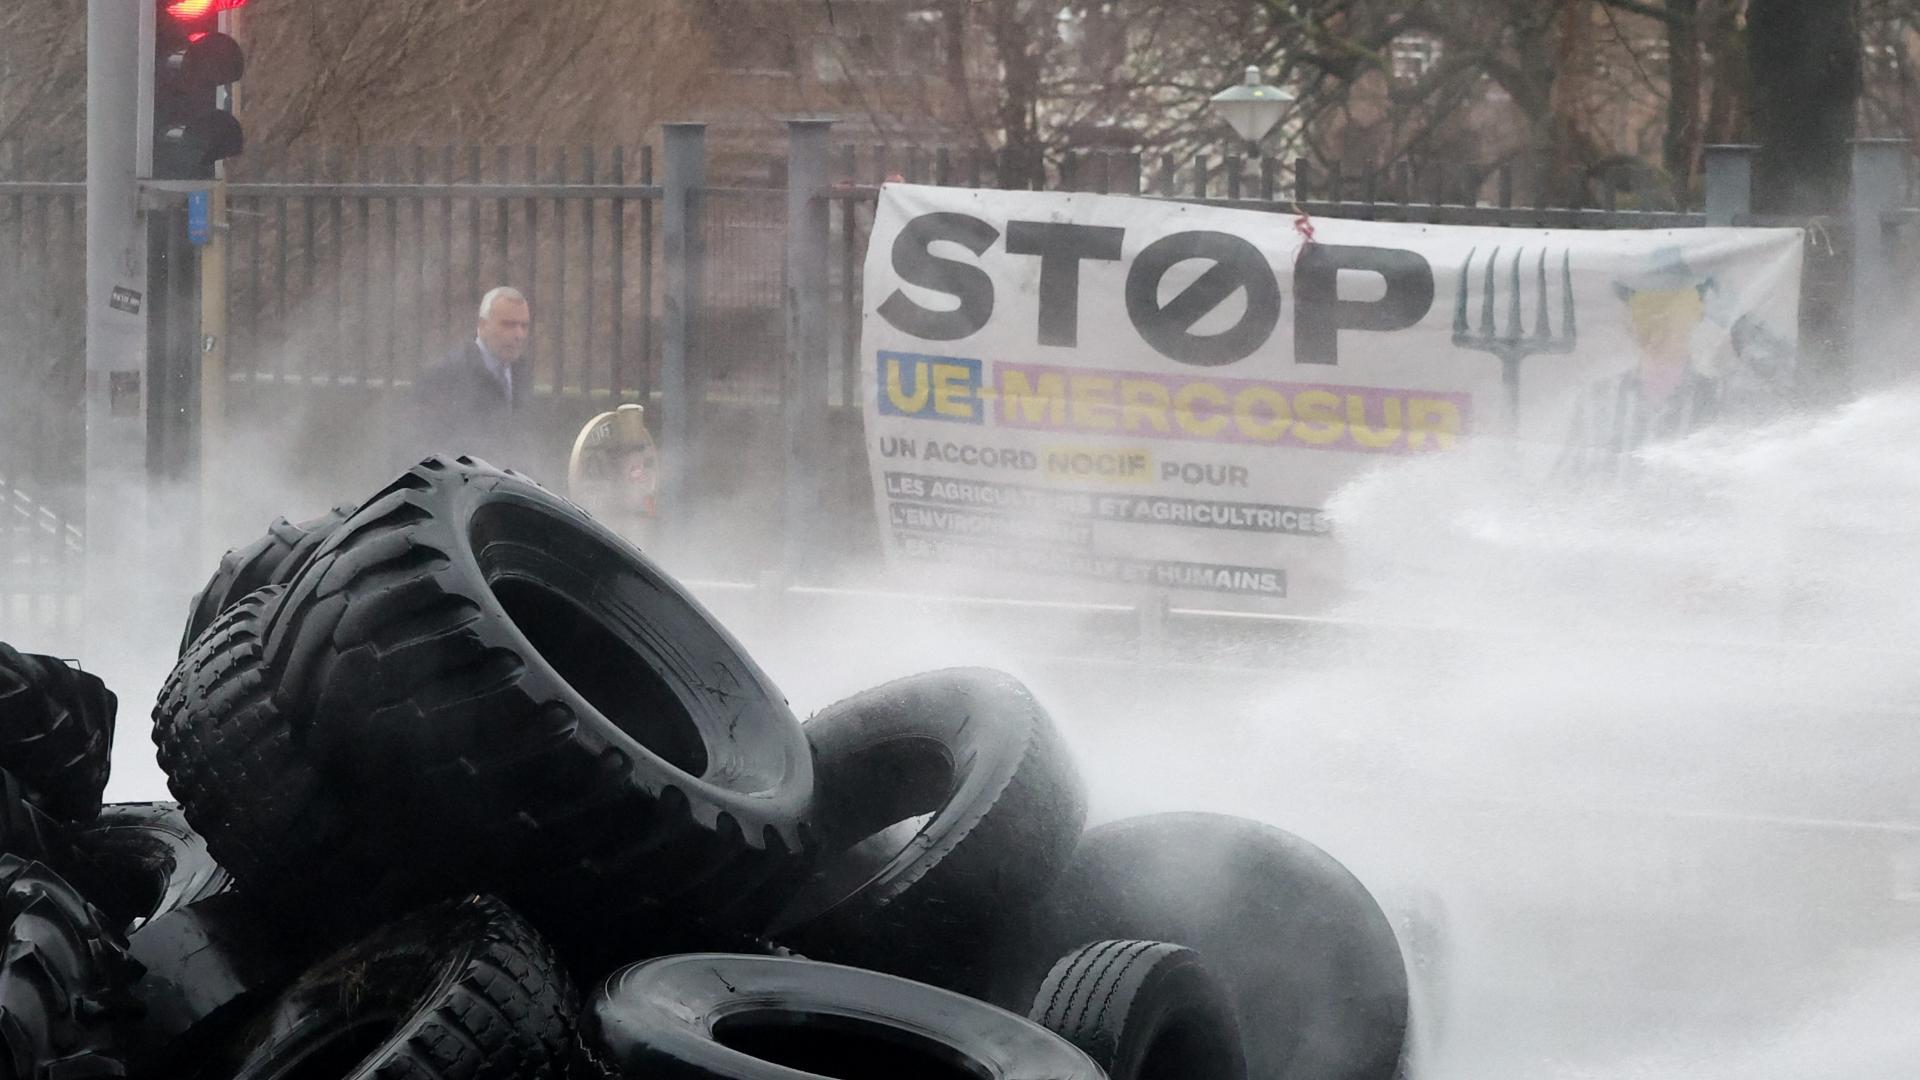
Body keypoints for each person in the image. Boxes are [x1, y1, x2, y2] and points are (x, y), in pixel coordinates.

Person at [1553, 250, 1721, 484]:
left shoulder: (1717, 401)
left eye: (1671, 309)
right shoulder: (1597, 400)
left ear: (1695, 315)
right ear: (1630, 320)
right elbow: (1562, 488)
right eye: (1648, 309)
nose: (1659, 322)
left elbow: (1731, 489)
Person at [410, 286, 535, 471]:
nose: (519, 335)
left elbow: (524, 434)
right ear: (483, 325)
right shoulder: (446, 374)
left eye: (524, 326)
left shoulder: (522, 372)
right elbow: (427, 443)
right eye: (508, 325)